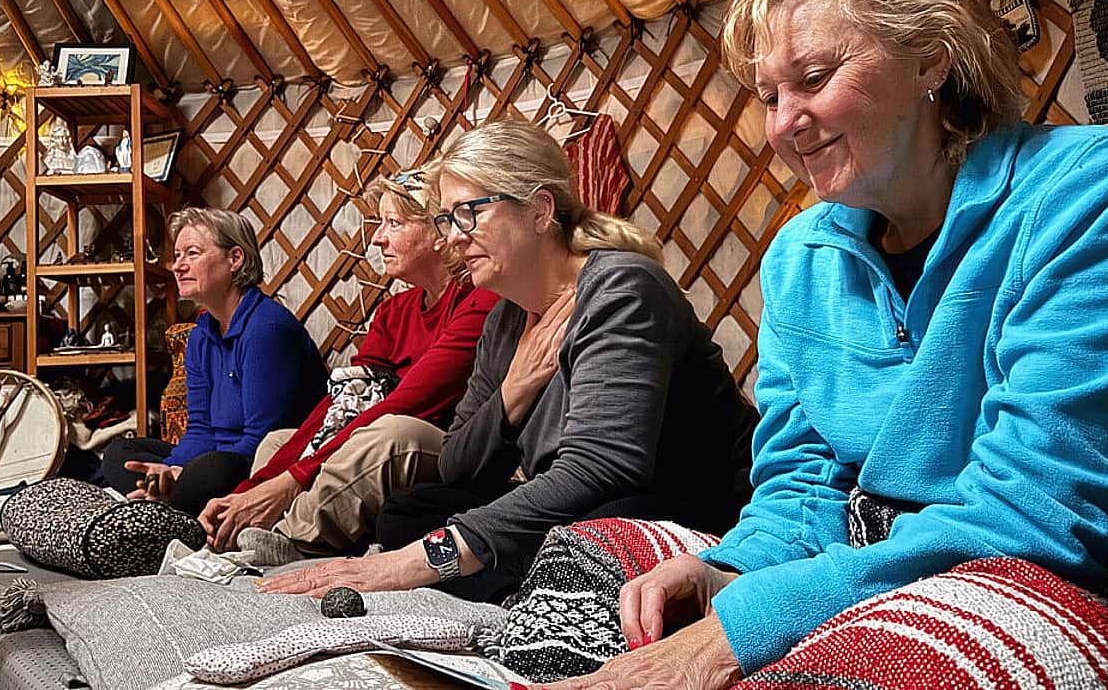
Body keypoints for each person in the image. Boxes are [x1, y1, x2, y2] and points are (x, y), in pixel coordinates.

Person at [540, 0, 1108, 689]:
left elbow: (1040, 508)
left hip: (1059, 576)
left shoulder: (1090, 191)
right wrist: (730, 569)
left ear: (930, 56)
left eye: (815, 79)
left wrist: (751, 625)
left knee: (833, 671)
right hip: (859, 561)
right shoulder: (801, 254)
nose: (785, 124)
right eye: (766, 95)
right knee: (588, 581)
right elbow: (799, 479)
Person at [260, 118, 758, 602]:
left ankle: (546, 586)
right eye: (445, 219)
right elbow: (456, 465)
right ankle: (527, 581)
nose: (452, 237)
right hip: (587, 501)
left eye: (467, 213)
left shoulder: (621, 289)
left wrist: (421, 561)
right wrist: (512, 392)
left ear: (540, 211)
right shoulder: (504, 320)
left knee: (576, 537)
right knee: (408, 513)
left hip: (680, 505)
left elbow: (603, 467)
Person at [197, 171, 498, 553]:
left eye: (394, 223)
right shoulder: (394, 312)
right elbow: (343, 404)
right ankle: (249, 528)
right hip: (379, 433)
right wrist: (252, 489)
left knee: (389, 433)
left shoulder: (478, 301)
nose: (377, 238)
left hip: (453, 446)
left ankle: (293, 540)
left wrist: (294, 478)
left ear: (440, 233)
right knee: (279, 442)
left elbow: (408, 403)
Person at [102, 208, 328, 516]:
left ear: (235, 258)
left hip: (263, 463)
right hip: (211, 457)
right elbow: (200, 429)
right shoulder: (200, 336)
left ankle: (162, 505)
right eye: (177, 255)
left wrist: (186, 473)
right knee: (119, 451)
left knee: (213, 470)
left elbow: (262, 441)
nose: (177, 266)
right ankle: (164, 498)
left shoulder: (267, 330)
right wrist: (168, 471)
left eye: (192, 253)